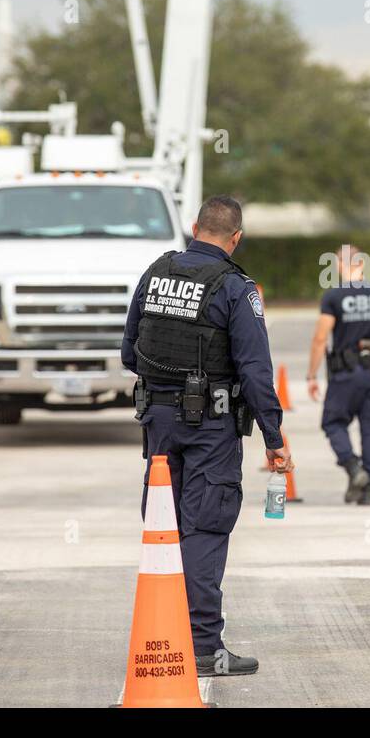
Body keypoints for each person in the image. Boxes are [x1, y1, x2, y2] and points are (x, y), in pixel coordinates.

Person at [120, 195, 292, 678]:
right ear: (236, 237)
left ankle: (162, 636)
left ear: (196, 226)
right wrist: (274, 436)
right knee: (206, 527)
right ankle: (201, 646)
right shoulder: (236, 288)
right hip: (210, 426)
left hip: (156, 421)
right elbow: (256, 371)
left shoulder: (156, 272)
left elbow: (129, 351)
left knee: (163, 526)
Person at [305, 245, 370, 505]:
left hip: (344, 376)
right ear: (362, 265)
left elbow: (320, 338)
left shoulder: (334, 297)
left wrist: (311, 376)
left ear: (339, 265)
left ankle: (352, 467)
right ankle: (367, 485)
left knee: (333, 423)